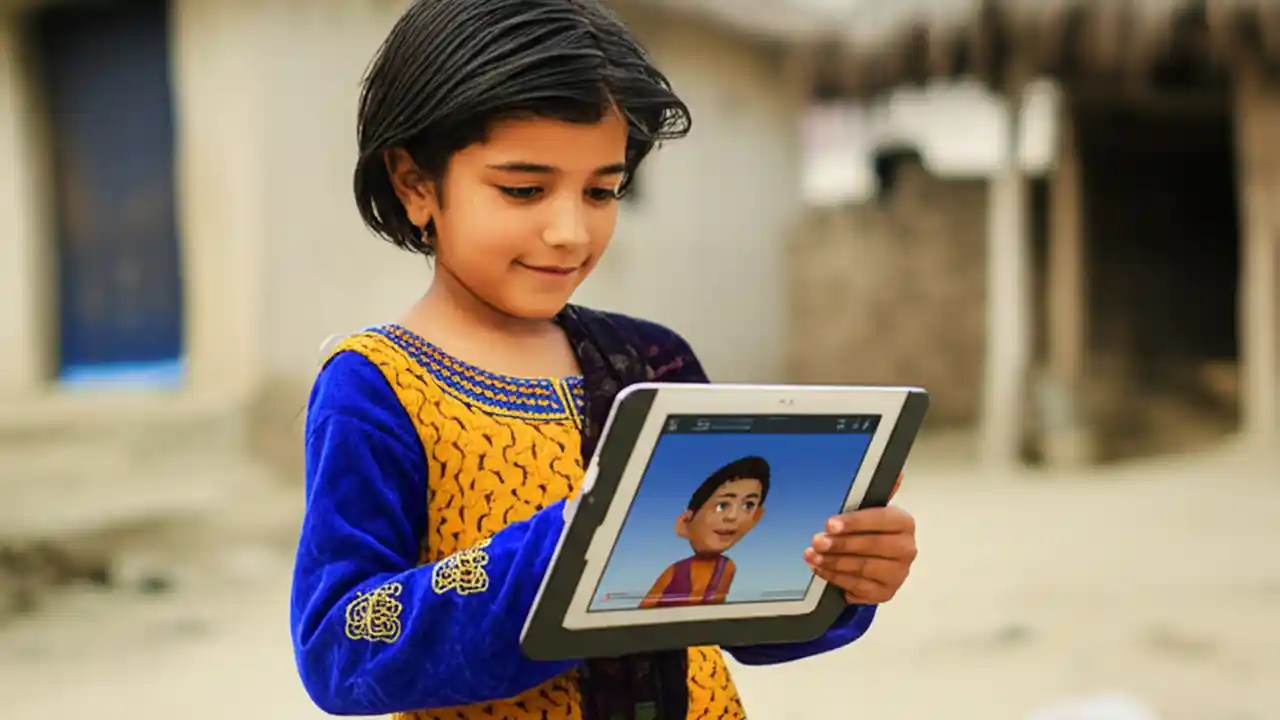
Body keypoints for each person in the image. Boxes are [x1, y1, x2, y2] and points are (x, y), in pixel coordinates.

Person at [288, 2, 920, 719]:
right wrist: (568, 549)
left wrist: (840, 573)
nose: (569, 231)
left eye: (601, 190)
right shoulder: (375, 389)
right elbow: (342, 646)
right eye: (523, 189)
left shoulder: (652, 360)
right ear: (415, 185)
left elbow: (733, 610)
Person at [639, 456, 771, 608]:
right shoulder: (675, 571)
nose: (733, 516)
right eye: (722, 505)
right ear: (685, 522)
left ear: (756, 518)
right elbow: (643, 609)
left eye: (748, 505)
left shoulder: (726, 567)